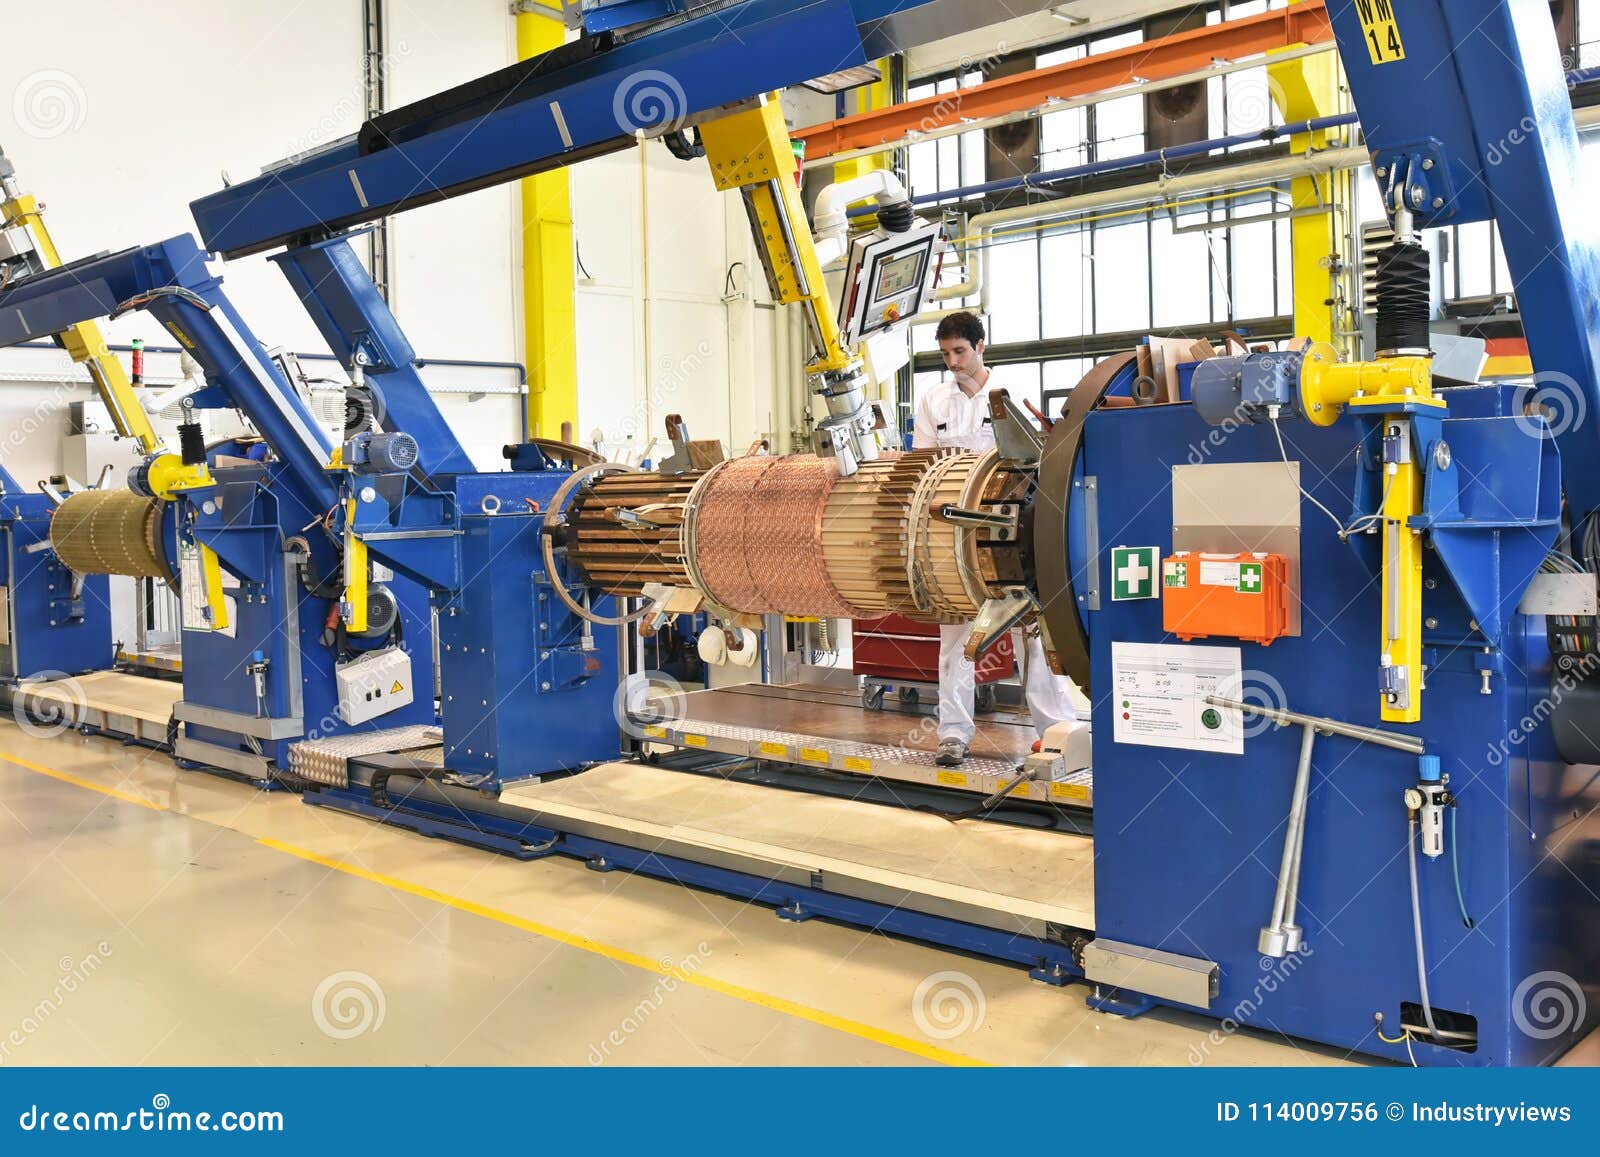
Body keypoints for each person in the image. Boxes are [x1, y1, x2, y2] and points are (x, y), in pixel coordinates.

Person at [911, 311, 1082, 766]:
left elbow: (1038, 460)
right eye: (945, 353)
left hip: (1013, 538)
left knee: (1034, 637)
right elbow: (925, 466)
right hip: (953, 539)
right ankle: (952, 734)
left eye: (960, 352)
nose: (952, 361)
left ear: (980, 347)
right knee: (955, 641)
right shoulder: (933, 400)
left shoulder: (1010, 395)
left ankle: (1057, 732)